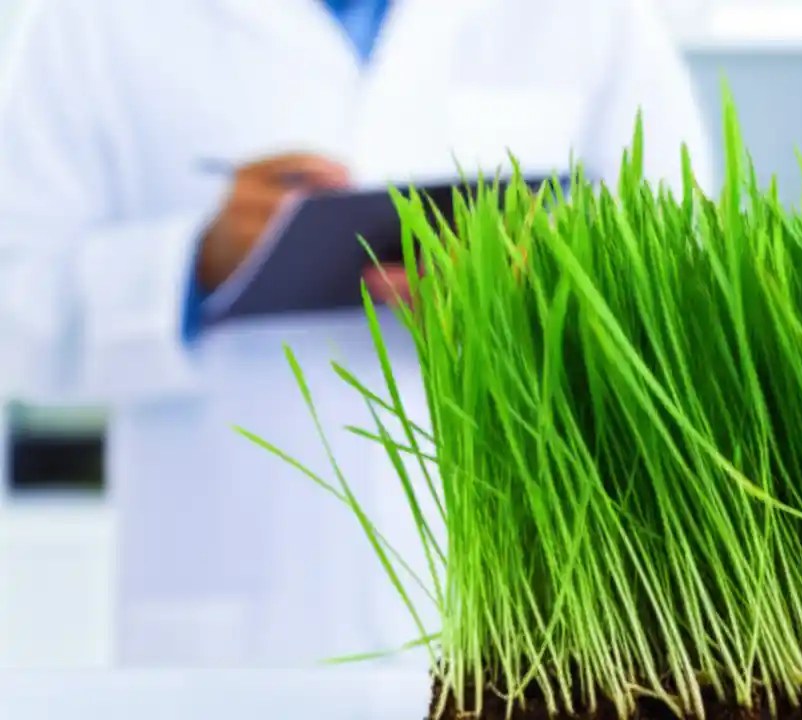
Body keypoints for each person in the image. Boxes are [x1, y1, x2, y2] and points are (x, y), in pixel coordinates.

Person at [0, 0, 713, 666]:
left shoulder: (598, 20)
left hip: (531, 608)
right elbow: (16, 308)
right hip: (239, 618)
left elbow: (689, 289)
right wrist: (194, 262)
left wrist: (533, 294)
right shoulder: (88, 20)